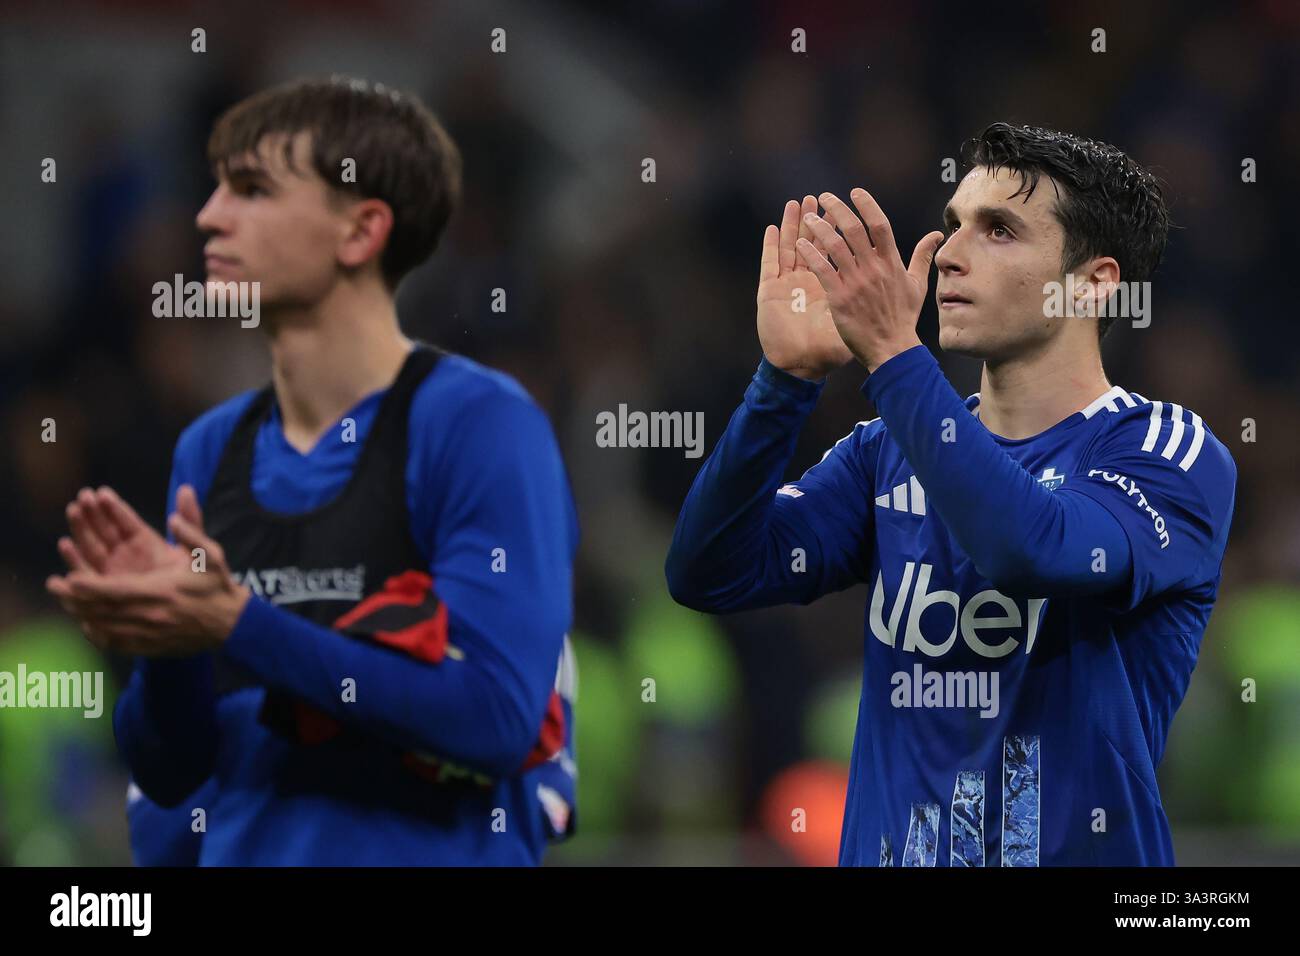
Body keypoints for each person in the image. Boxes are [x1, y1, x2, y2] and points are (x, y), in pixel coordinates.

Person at [666, 123, 1236, 866]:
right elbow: (707, 572)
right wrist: (785, 383)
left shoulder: (1166, 451)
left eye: (998, 230)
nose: (949, 255)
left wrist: (897, 356)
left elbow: (1029, 548)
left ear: (1093, 282)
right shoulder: (887, 452)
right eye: (951, 224)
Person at [46, 76, 578, 866]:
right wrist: (164, 645)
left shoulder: (479, 426)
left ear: (360, 231)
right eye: (217, 187)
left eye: (251, 189)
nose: (208, 215)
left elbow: (496, 719)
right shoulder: (209, 447)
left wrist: (237, 624)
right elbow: (169, 771)